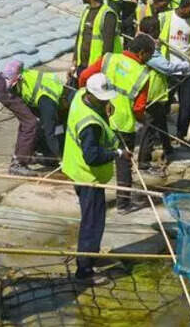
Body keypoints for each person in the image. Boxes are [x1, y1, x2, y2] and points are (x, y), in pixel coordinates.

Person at [78, 34, 156, 213]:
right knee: (123, 163)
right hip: (123, 124)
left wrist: (87, 98)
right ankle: (123, 204)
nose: (149, 60)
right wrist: (144, 120)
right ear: (142, 53)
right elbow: (138, 108)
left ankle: (88, 199)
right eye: (149, 56)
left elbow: (84, 77)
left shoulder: (109, 58)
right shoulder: (143, 74)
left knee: (94, 156)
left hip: (100, 118)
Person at [62, 72, 125, 285]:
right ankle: (85, 271)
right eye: (104, 98)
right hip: (88, 176)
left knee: (92, 218)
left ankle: (89, 256)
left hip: (75, 168)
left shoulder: (80, 95)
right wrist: (117, 154)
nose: (107, 101)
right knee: (93, 222)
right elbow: (93, 156)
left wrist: (104, 110)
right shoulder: (90, 125)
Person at [0, 60, 67, 176]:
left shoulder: (57, 89)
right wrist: (62, 158)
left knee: (35, 122)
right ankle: (18, 163)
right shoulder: (49, 101)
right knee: (30, 123)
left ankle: (32, 153)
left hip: (17, 85)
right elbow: (50, 133)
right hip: (6, 88)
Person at [160, 0, 190, 138]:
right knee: (164, 104)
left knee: (187, 105)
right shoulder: (165, 17)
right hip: (168, 69)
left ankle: (181, 134)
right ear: (183, 7)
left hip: (187, 70)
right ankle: (162, 134)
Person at [73, 0, 122, 77]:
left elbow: (108, 47)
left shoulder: (108, 15)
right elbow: (79, 37)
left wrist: (101, 70)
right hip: (82, 67)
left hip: (96, 70)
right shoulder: (87, 11)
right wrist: (74, 62)